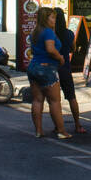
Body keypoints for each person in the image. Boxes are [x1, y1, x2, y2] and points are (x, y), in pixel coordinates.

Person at [28, 7, 70, 139]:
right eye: (52, 17)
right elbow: (50, 49)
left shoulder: (35, 32)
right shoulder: (48, 32)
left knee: (37, 100)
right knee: (54, 101)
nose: (54, 20)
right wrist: (60, 58)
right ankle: (61, 131)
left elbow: (33, 51)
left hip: (33, 67)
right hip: (47, 68)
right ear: (46, 19)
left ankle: (39, 131)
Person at [53, 8, 87, 134]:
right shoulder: (69, 34)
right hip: (66, 68)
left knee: (54, 100)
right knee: (71, 97)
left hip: (53, 68)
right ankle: (78, 124)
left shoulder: (51, 34)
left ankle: (58, 126)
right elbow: (73, 48)